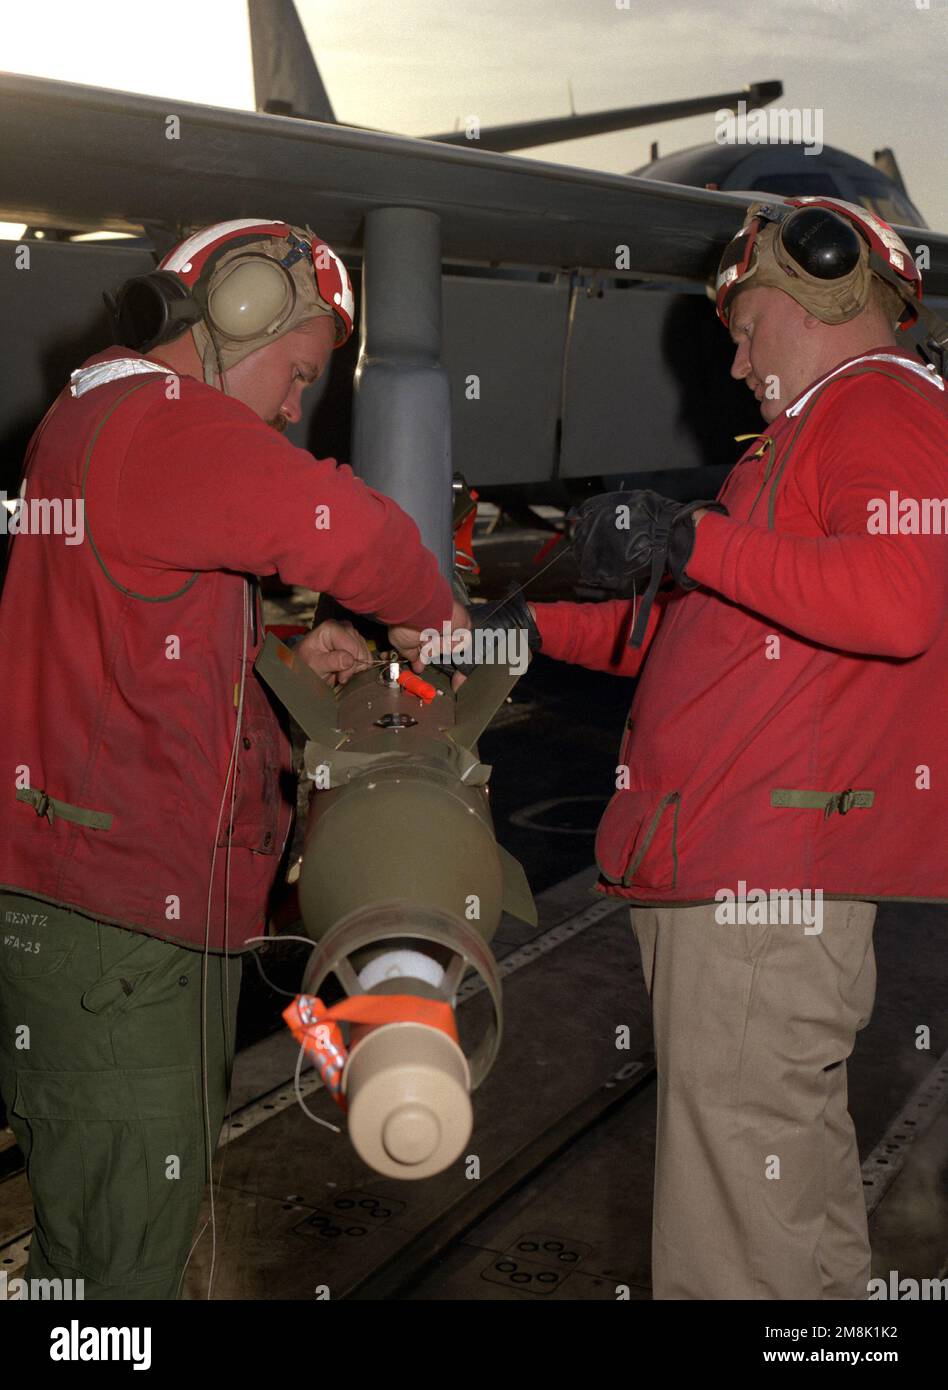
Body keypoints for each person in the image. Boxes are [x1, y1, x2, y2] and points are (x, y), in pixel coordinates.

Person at [449, 197, 947, 1299]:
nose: (733, 359)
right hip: (754, 884)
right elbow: (702, 635)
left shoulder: (877, 406)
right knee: (786, 1208)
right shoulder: (816, 432)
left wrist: (690, 534)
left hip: (762, 887)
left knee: (733, 1240)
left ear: (816, 288)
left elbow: (899, 599)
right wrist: (532, 632)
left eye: (743, 320)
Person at [0, 218, 466, 1298]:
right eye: (299, 371)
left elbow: (142, 635)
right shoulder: (156, 421)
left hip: (92, 923)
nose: (298, 405)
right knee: (122, 1270)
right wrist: (430, 612)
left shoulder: (98, 417)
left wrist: (288, 652)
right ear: (242, 309)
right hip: (119, 936)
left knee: (94, 1248)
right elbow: (354, 533)